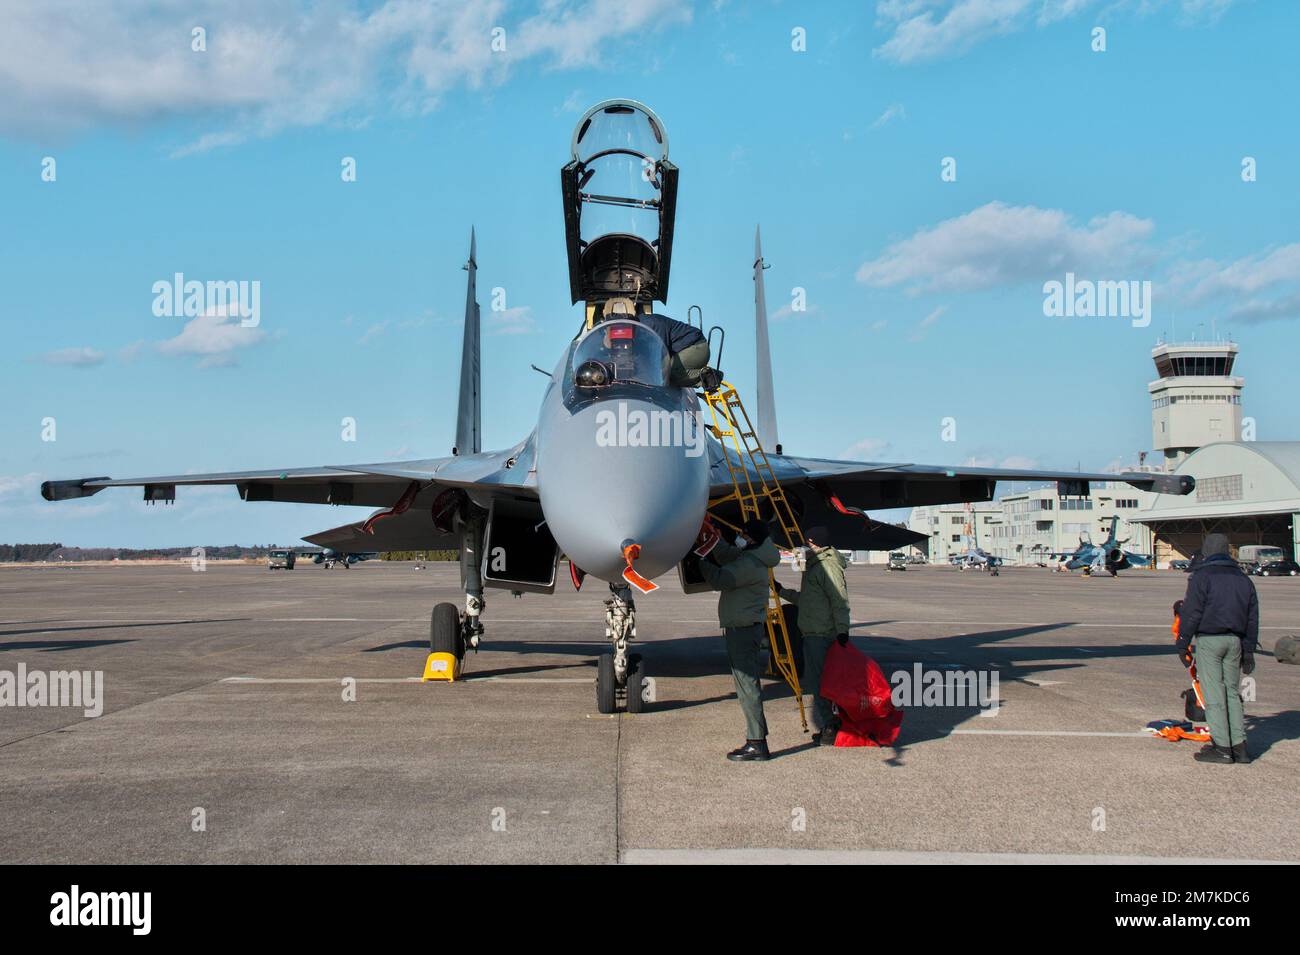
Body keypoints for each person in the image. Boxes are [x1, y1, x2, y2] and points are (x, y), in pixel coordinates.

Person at [698, 518, 782, 761]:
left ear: (752, 538)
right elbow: (727, 555)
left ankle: (757, 744)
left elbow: (721, 579)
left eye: (743, 533)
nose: (740, 536)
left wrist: (699, 562)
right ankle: (758, 736)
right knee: (747, 684)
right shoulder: (753, 555)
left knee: (747, 685)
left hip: (743, 630)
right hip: (745, 627)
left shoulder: (750, 563)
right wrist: (714, 538)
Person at [1174, 533, 1259, 764]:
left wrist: (1182, 643)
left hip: (1210, 640)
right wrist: (1249, 649)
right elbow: (1252, 618)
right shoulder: (1244, 579)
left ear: (1207, 551)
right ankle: (1239, 747)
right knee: (1232, 693)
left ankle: (1221, 748)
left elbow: (1192, 613)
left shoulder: (1202, 577)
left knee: (1214, 695)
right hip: (1235, 642)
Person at [776, 526, 850, 746]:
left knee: (819, 683)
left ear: (813, 542)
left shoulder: (827, 567)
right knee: (816, 682)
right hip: (812, 633)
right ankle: (831, 724)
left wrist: (843, 631)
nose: (803, 547)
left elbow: (840, 599)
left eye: (806, 543)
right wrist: (781, 591)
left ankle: (830, 725)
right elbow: (807, 600)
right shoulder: (814, 566)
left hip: (822, 634)